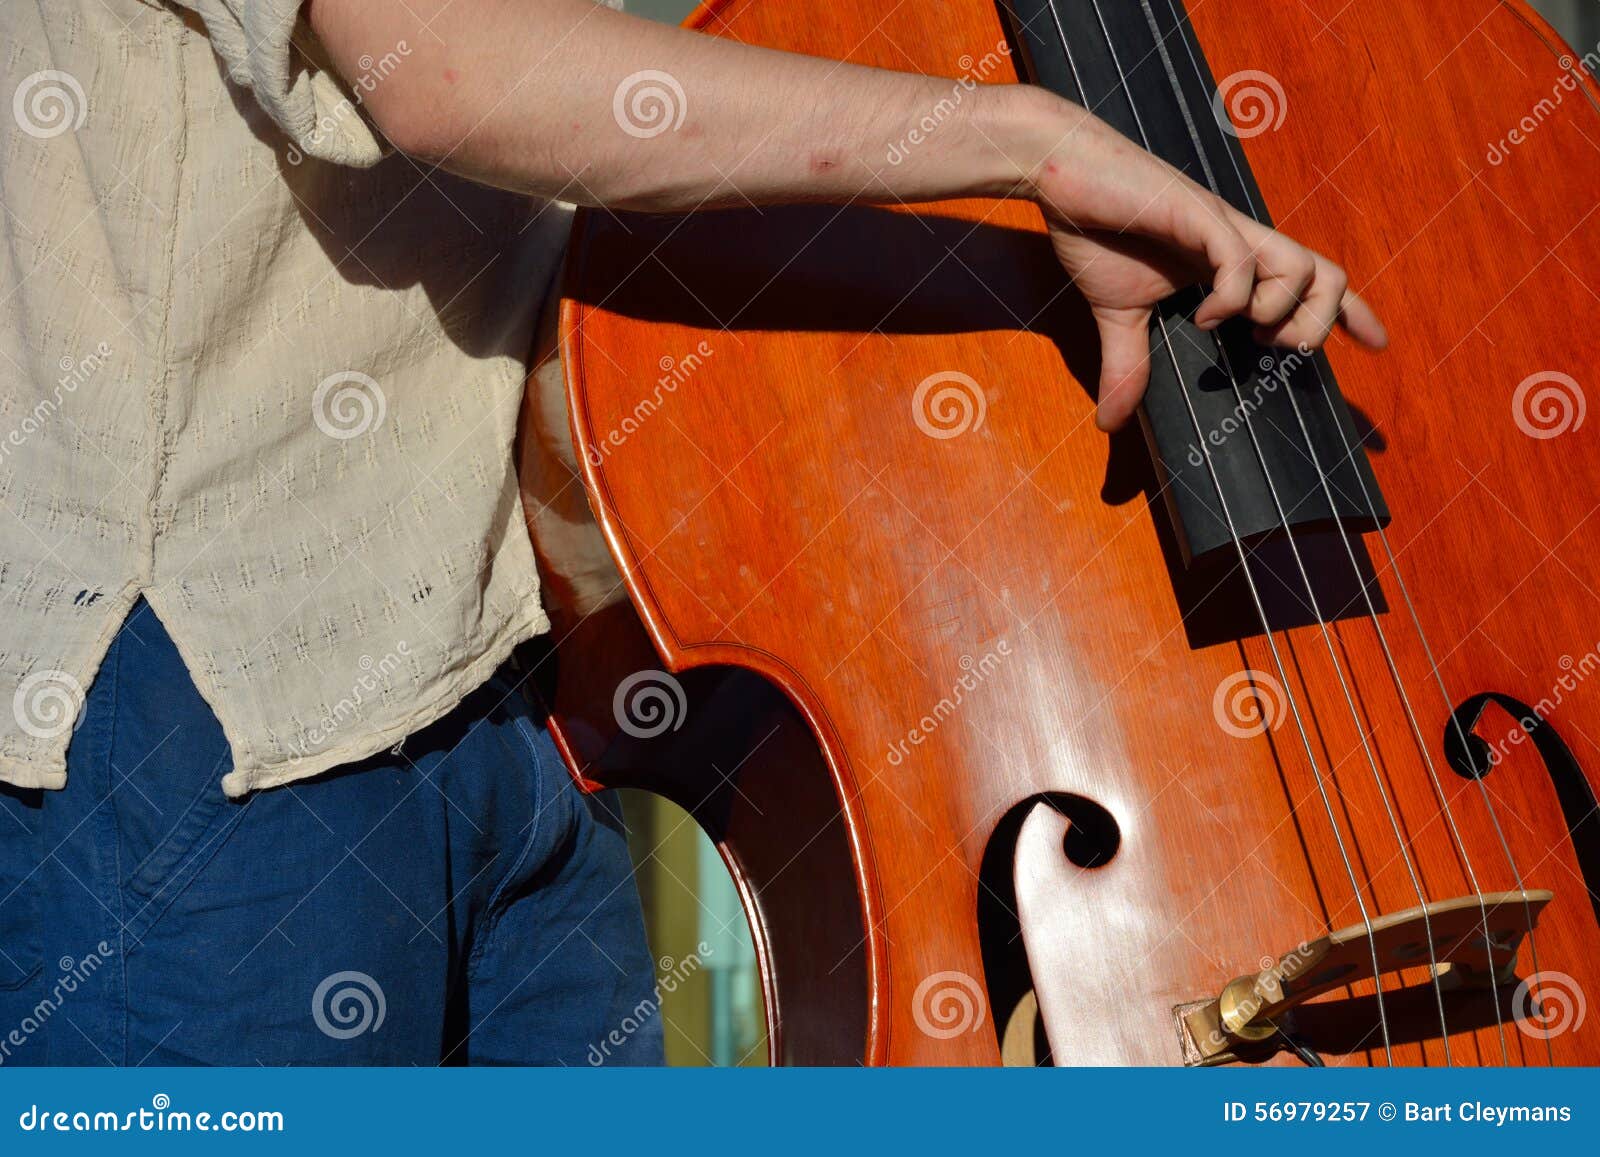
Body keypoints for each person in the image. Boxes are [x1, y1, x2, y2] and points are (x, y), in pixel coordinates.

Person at [0, 0, 1384, 1066]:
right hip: (208, 715)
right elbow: (444, 65)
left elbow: (597, 176)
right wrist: (1036, 139)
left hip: (495, 699)